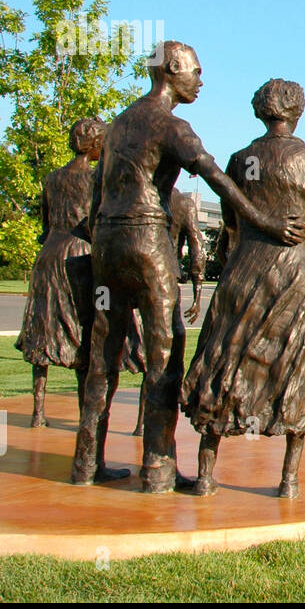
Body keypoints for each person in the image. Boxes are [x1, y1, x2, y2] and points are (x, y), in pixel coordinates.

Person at [71, 41, 305, 492]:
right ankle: (158, 469)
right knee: (164, 350)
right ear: (171, 70)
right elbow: (220, 181)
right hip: (145, 241)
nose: (200, 80)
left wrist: (100, 239)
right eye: (195, 72)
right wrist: (268, 221)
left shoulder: (119, 124)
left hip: (107, 241)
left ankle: (86, 464)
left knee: (103, 355)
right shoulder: (172, 126)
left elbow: (98, 192)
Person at [181, 79, 305, 498]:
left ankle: (205, 474)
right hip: (298, 275)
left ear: (260, 111)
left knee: (226, 361)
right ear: (298, 112)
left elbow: (232, 221)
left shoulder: (240, 160)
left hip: (245, 271)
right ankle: (288, 480)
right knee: (297, 371)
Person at [16, 118, 141, 427]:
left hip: (48, 257)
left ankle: (38, 413)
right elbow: (98, 222)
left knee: (43, 328)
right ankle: (87, 412)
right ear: (96, 144)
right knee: (86, 330)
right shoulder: (98, 178)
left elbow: (45, 227)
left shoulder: (52, 179)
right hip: (81, 254)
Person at [132, 186, 206, 435]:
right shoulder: (183, 204)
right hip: (164, 278)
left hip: (131, 275)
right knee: (167, 350)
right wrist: (197, 295)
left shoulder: (134, 193)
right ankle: (156, 433)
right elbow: (197, 248)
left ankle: (141, 424)